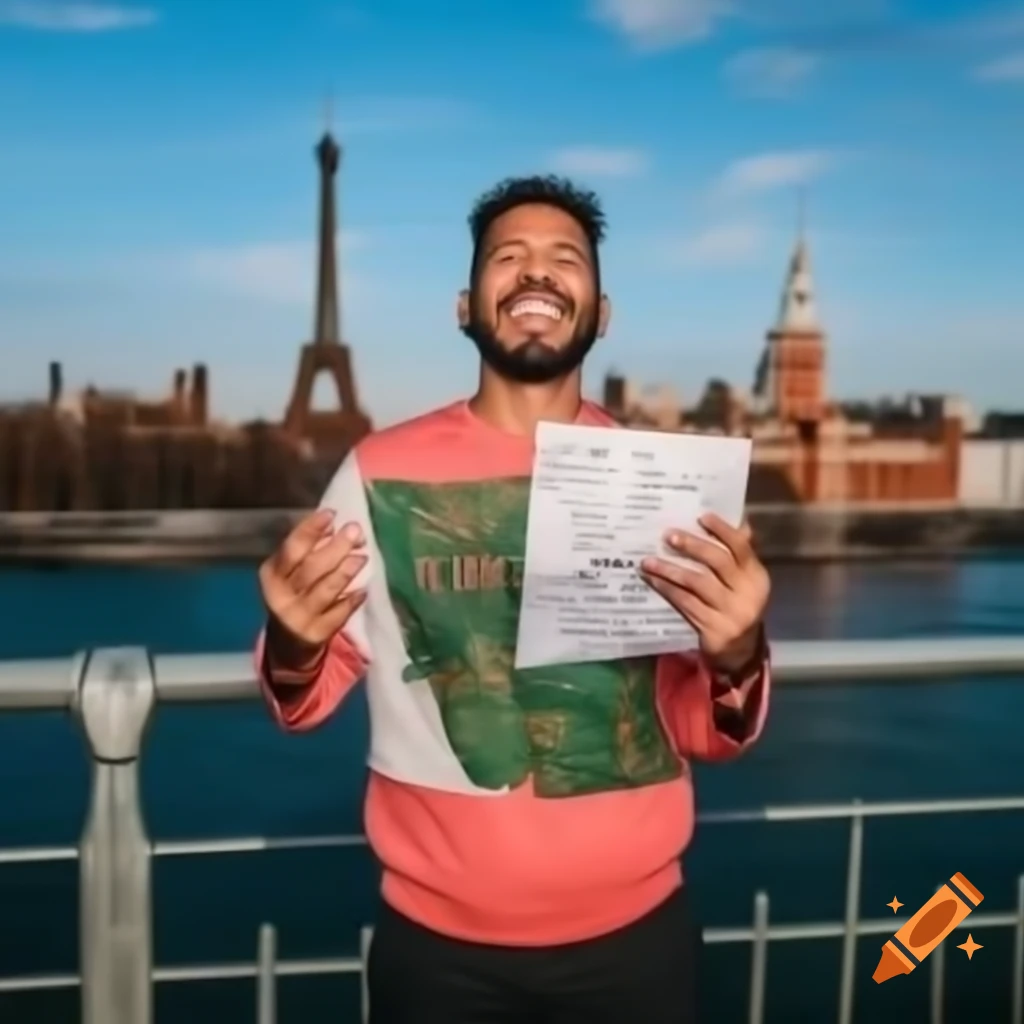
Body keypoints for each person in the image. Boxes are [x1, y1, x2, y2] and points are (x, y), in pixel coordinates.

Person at [255, 175, 772, 1023]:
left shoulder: (669, 487)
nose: (536, 273)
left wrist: (740, 651)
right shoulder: (377, 472)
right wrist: (293, 641)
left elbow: (701, 729)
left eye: (564, 259)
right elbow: (305, 697)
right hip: (436, 955)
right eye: (509, 257)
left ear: (602, 312)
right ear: (466, 306)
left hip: (637, 943)